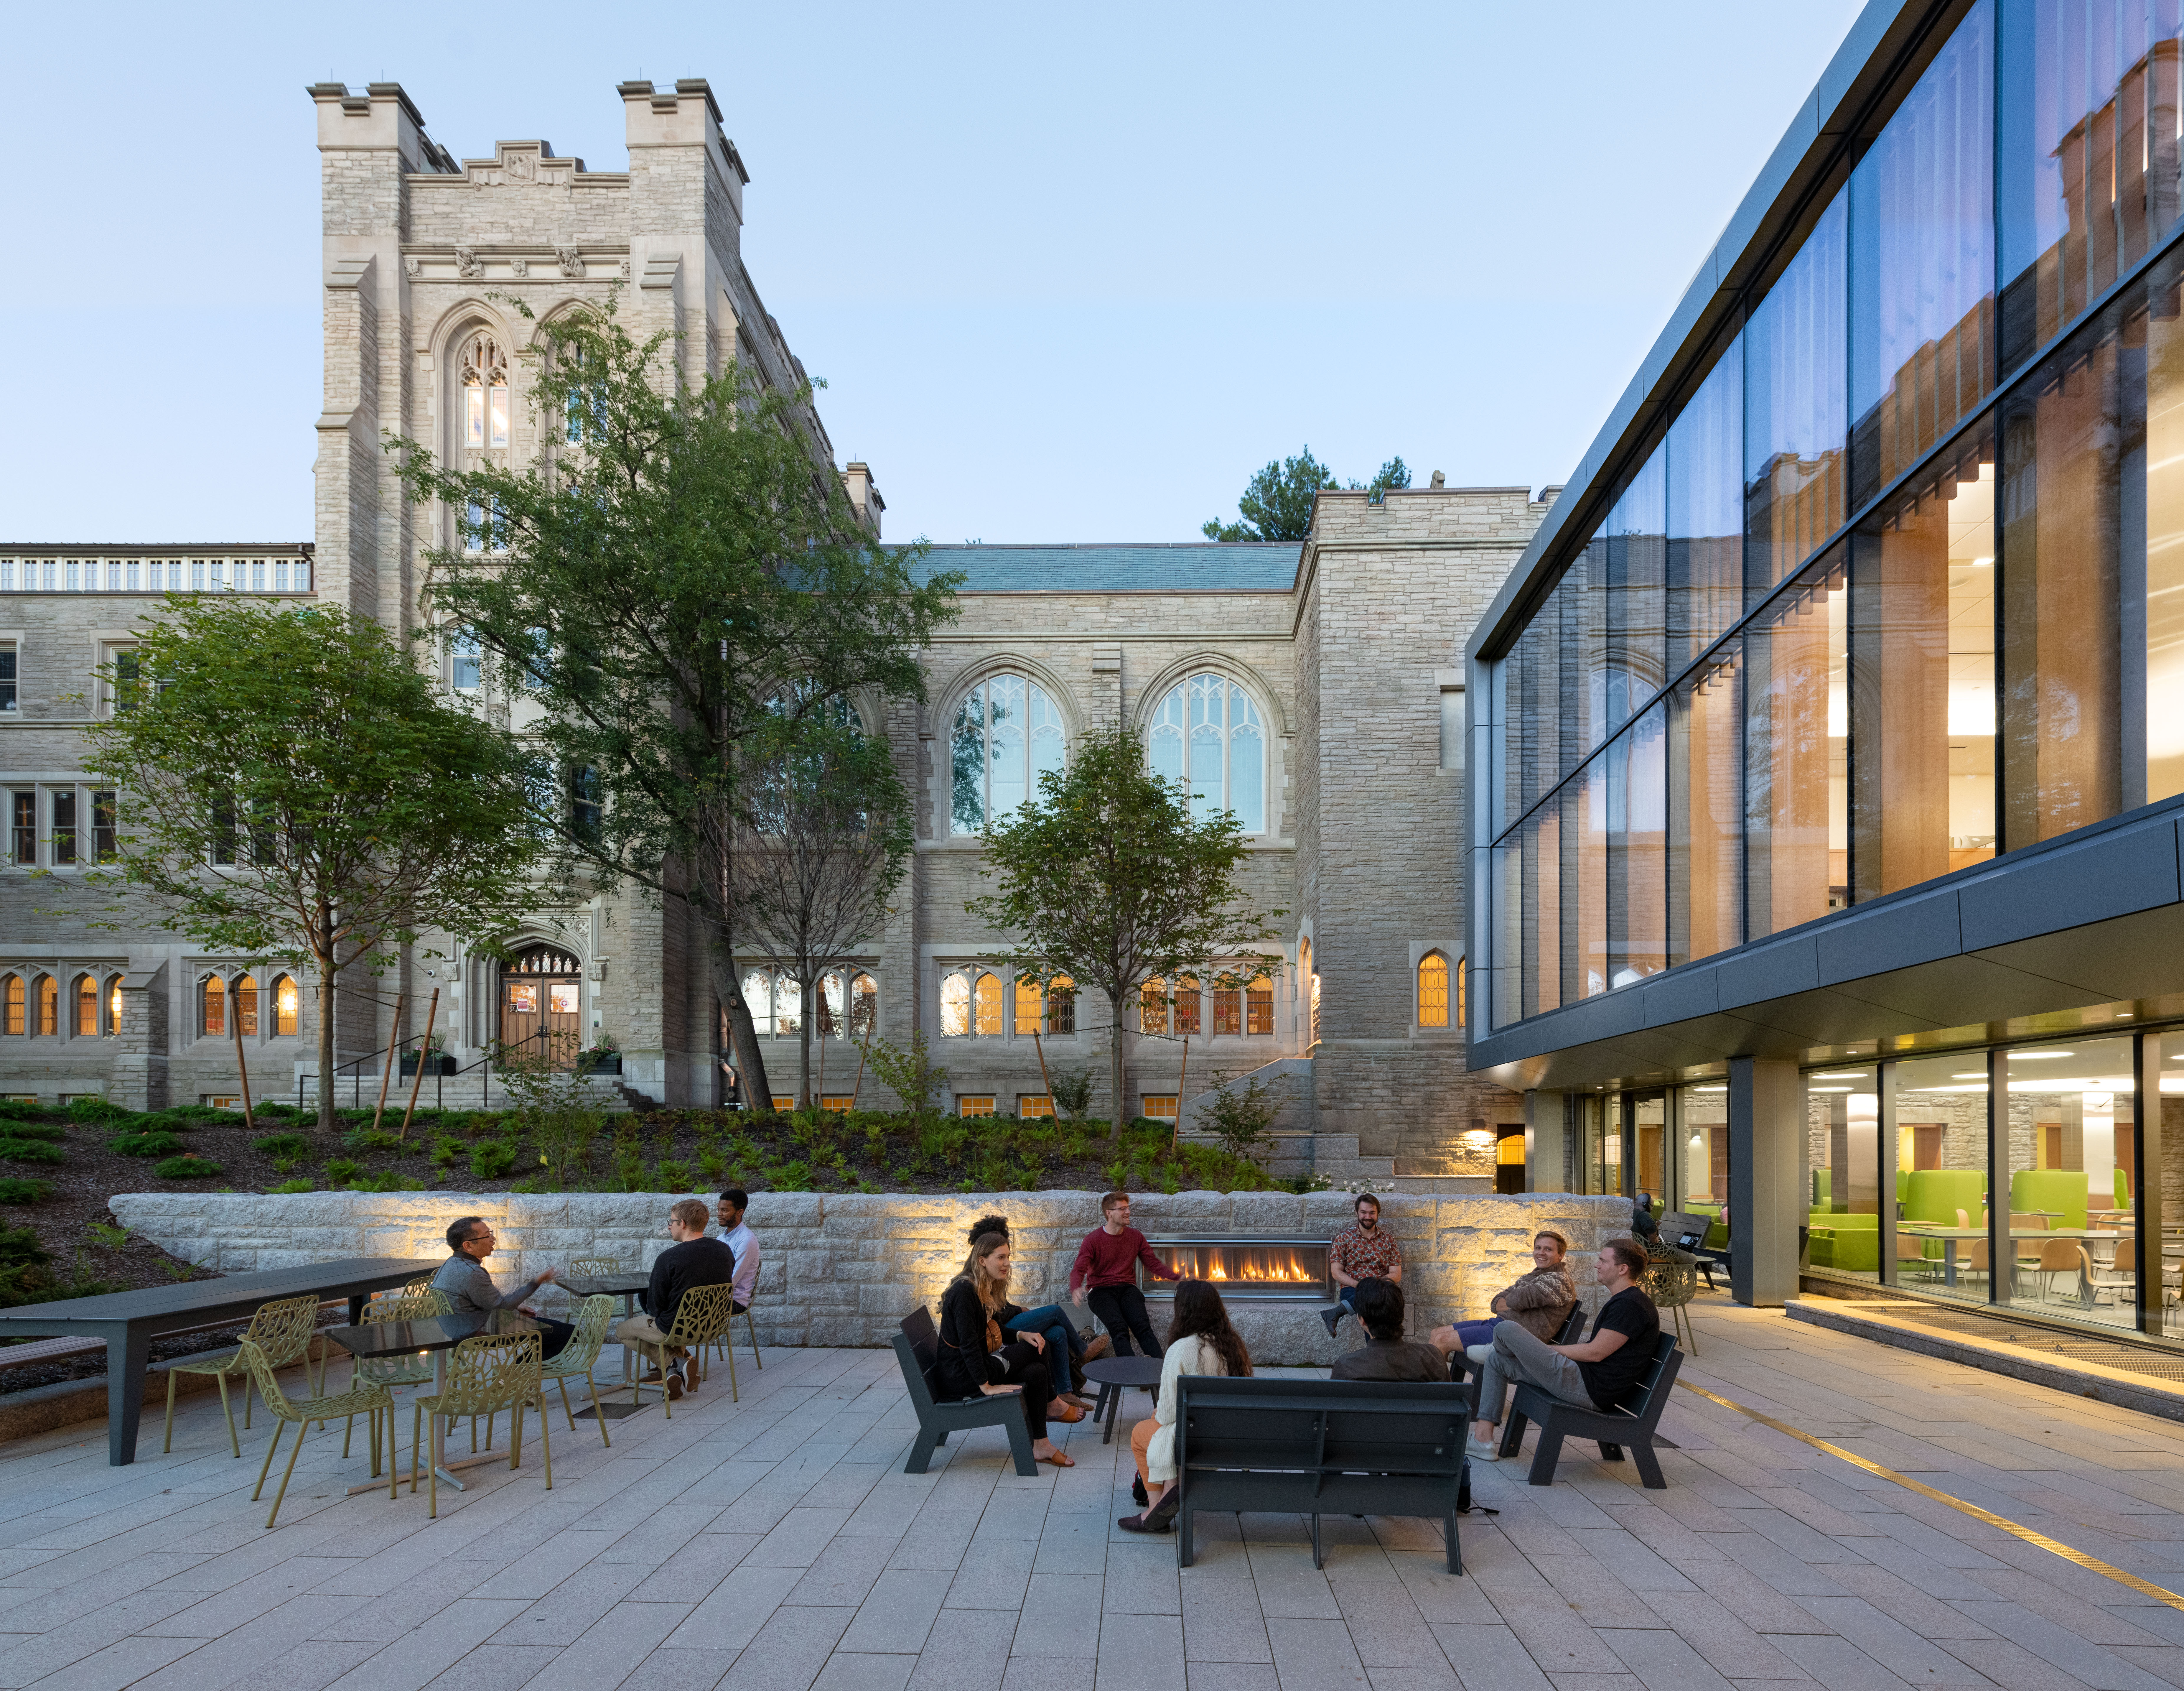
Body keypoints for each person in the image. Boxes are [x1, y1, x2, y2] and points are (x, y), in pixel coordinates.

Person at [1466, 1237, 1660, 1460]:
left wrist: (1545, 1351)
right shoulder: (1625, 1301)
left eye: (1603, 1261)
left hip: (1588, 1387)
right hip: (1583, 1379)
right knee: (1497, 1362)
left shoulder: (1630, 1306)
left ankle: (1498, 1347)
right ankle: (1483, 1441)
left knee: (1507, 1329)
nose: (1597, 1265)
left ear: (1622, 1269)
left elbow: (1595, 1353)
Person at [1118, 1277, 1251, 1532]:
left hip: (1193, 1441)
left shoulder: (1181, 1350)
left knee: (1141, 1433)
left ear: (1184, 1311)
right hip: (1230, 1438)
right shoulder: (1233, 1345)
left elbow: (1168, 1415)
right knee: (1161, 1430)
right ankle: (1171, 1486)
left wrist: (1158, 1413)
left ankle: (1155, 1512)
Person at [935, 1231, 1075, 1468]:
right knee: (1039, 1348)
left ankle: (1041, 1444)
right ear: (982, 1260)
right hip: (963, 1376)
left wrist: (1021, 1334)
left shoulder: (982, 1287)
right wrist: (986, 1387)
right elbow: (969, 1345)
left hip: (975, 1365)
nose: (1007, 1264)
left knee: (1037, 1369)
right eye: (1001, 1258)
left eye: (1008, 1257)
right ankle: (1053, 1403)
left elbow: (993, 1328)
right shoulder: (965, 1292)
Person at [968, 1213, 1110, 1409]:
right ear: (982, 1252)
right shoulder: (975, 1279)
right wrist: (1018, 1311)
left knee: (1058, 1333)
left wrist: (1017, 1309)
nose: (1006, 1257)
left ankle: (1065, 1392)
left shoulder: (991, 1273)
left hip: (1006, 1325)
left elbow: (1001, 1306)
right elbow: (997, 1316)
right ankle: (1083, 1352)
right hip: (1000, 1333)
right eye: (1001, 1254)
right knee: (1055, 1312)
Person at [613, 1197, 737, 1400]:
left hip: (676, 1329)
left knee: (623, 1331)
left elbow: (655, 1307)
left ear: (684, 1224)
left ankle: (674, 1364)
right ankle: (675, 1374)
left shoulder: (669, 1258)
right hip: (714, 1326)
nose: (670, 1226)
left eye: (672, 1222)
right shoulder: (724, 1251)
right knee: (670, 1319)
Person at [432, 1216, 573, 1358]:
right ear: (468, 1246)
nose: (493, 1239)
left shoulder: (452, 1263)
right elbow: (502, 1308)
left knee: (557, 1329)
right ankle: (515, 1372)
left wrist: (517, 1307)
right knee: (572, 1334)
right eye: (487, 1236)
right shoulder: (471, 1272)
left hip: (466, 1328)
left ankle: (519, 1371)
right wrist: (537, 1282)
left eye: (491, 1233)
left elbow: (486, 1302)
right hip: (480, 1333)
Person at [1068, 1191, 1178, 1358]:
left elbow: (1153, 1264)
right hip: (1100, 1291)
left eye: (1128, 1208)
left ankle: (1161, 1374)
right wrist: (1075, 1287)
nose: (1128, 1212)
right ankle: (1131, 1375)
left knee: (1143, 1327)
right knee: (1119, 1328)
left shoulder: (1136, 1237)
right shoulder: (1093, 1240)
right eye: (1122, 1209)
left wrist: (1177, 1277)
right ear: (1109, 1214)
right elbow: (1079, 1269)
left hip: (1127, 1289)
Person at [1438, 1230, 1578, 1355]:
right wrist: (1518, 1303)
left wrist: (1515, 1301)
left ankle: (1438, 1385)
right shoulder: (1534, 1276)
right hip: (1500, 1325)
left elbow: (1516, 1300)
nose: (1541, 1253)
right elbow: (1496, 1303)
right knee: (1437, 1333)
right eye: (1538, 1248)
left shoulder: (1558, 1280)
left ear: (1561, 1255)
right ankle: (1445, 1383)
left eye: (1548, 1249)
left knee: (1443, 1341)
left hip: (1514, 1337)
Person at [1330, 1279, 1449, 1382]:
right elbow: (1448, 1403)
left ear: (1363, 1321)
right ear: (1402, 1316)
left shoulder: (1347, 1367)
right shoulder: (1433, 1358)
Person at [1321, 1192, 1402, 1338]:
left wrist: (1374, 1286)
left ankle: (1337, 1313)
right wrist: (1361, 1286)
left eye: (1372, 1213)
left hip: (1381, 1289)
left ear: (1378, 1214)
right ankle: (1378, 1354)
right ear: (1357, 1213)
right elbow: (1336, 1273)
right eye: (1364, 1212)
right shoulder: (1344, 1238)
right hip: (1352, 1290)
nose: (1368, 1217)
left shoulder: (1388, 1240)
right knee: (1372, 1305)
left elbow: (1396, 1274)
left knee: (1372, 1305)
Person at [717, 1189, 761, 1317]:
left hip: (734, 1301)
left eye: (725, 1210)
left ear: (740, 1212)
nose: (719, 1214)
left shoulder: (747, 1240)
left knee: (690, 1307)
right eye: (719, 1209)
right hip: (718, 1296)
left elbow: (731, 1280)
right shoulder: (721, 1239)